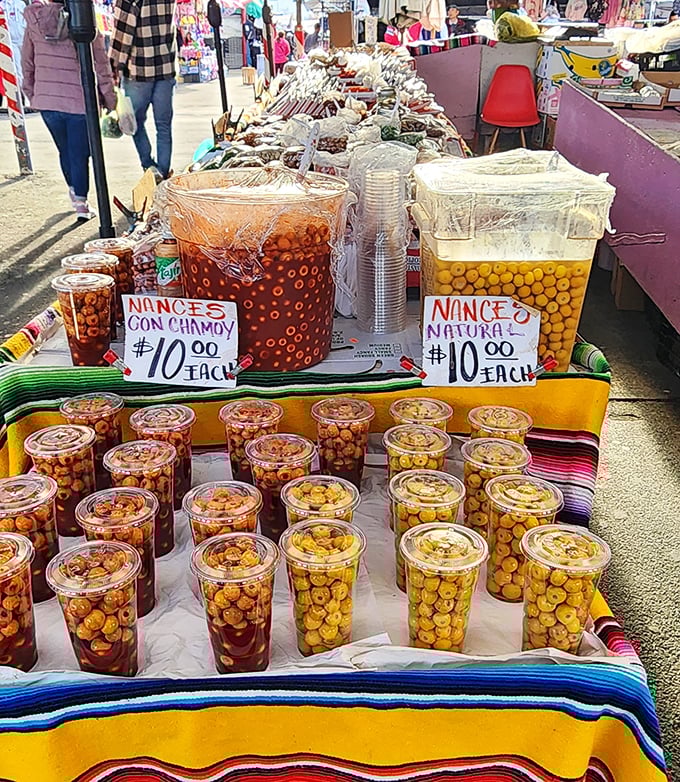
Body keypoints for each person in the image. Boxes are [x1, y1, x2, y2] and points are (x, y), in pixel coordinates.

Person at [21, 0, 116, 220]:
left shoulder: (34, 21)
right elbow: (101, 66)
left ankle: (75, 193)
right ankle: (81, 202)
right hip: (79, 100)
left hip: (47, 100)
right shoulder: (85, 19)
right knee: (80, 153)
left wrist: (32, 93)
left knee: (65, 150)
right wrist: (110, 100)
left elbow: (27, 61)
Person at [110, 0, 177, 182]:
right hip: (165, 67)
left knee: (134, 121)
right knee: (163, 125)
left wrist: (114, 68)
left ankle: (148, 166)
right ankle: (162, 173)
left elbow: (122, 36)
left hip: (139, 70)